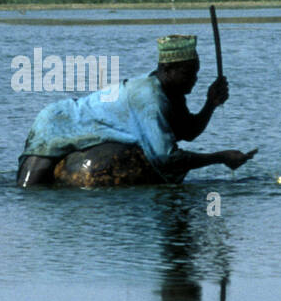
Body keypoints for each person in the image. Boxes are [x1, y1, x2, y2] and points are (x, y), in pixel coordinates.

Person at [16, 34, 257, 187]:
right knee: (29, 191)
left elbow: (188, 131)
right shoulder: (150, 99)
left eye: (196, 72)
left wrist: (210, 104)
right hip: (58, 124)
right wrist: (221, 157)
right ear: (166, 69)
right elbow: (165, 158)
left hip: (82, 127)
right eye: (188, 73)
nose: (194, 79)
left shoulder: (172, 94)